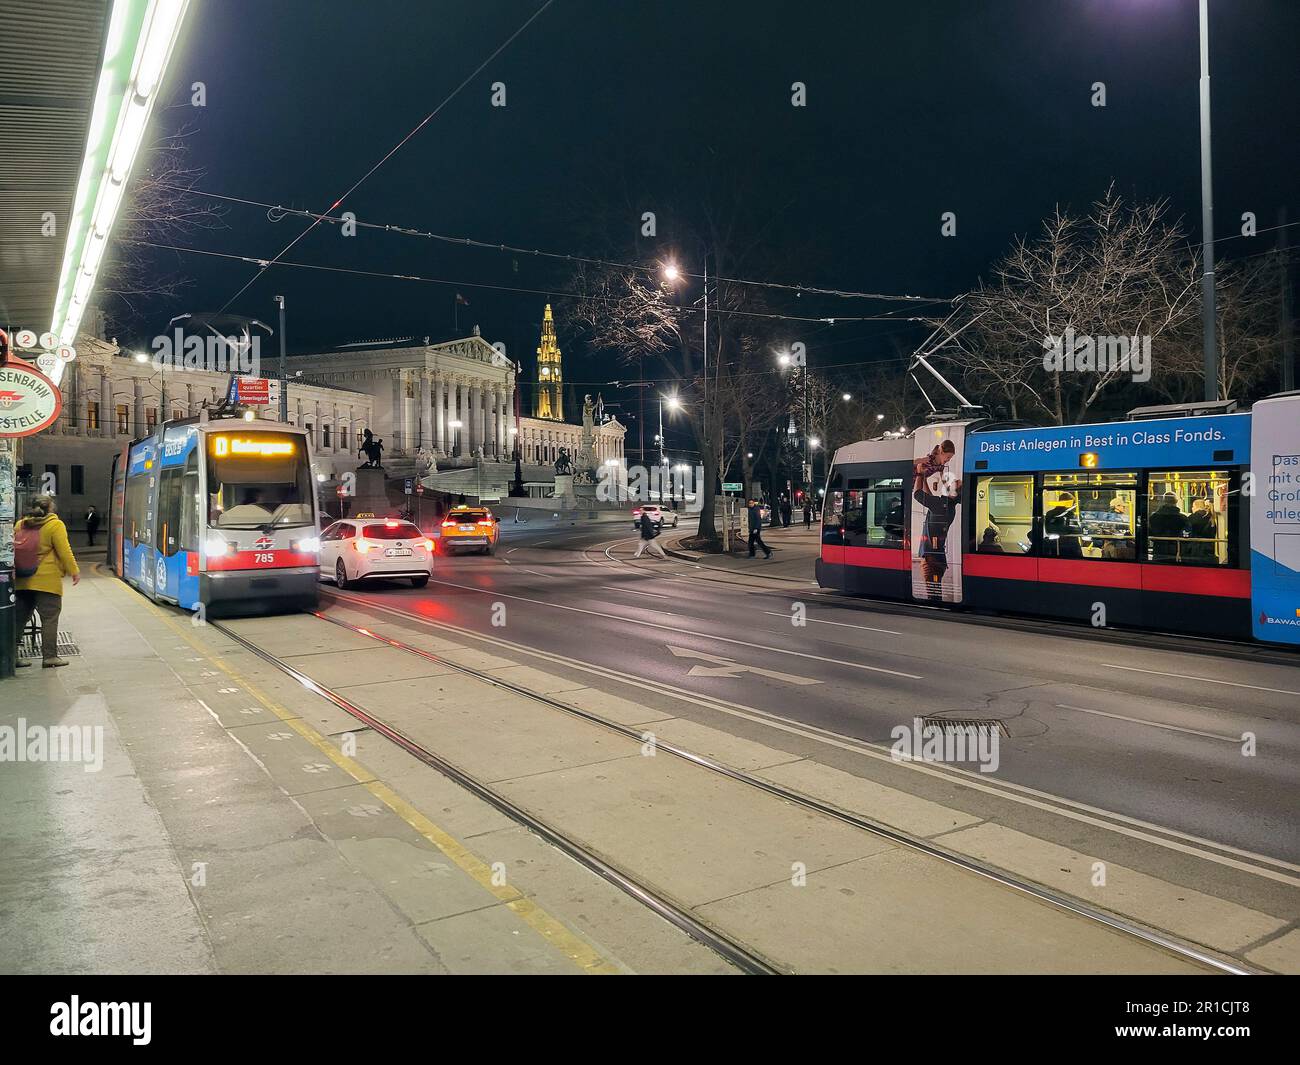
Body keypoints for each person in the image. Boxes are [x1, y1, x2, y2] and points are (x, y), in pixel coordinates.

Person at [14, 496, 80, 668]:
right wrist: (74, 571)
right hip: (47, 581)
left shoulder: (20, 524)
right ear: (50, 508)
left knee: (19, 619)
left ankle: (11, 657)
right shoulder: (55, 525)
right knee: (50, 618)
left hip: (22, 579)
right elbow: (64, 551)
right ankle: (50, 657)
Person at [913, 470, 959, 600]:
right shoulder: (947, 506)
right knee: (935, 593)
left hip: (931, 561)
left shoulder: (940, 505)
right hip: (937, 559)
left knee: (934, 597)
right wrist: (925, 480)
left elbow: (917, 494)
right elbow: (930, 499)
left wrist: (919, 473)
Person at [1148, 492, 1190, 562]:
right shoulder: (1182, 518)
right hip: (1176, 549)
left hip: (1158, 549)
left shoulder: (1153, 517)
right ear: (1176, 502)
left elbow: (1150, 532)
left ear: (1163, 501)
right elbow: (1187, 534)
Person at [1042, 493, 1083, 558]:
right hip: (1070, 546)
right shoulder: (1070, 514)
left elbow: (1049, 530)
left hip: (1055, 545)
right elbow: (1077, 530)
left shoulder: (1049, 514)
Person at [1186, 498, 1217, 564]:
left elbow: (1186, 531)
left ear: (1197, 507)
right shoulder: (1211, 517)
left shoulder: (1193, 517)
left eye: (1193, 506)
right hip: (1210, 548)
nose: (1192, 508)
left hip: (1197, 549)